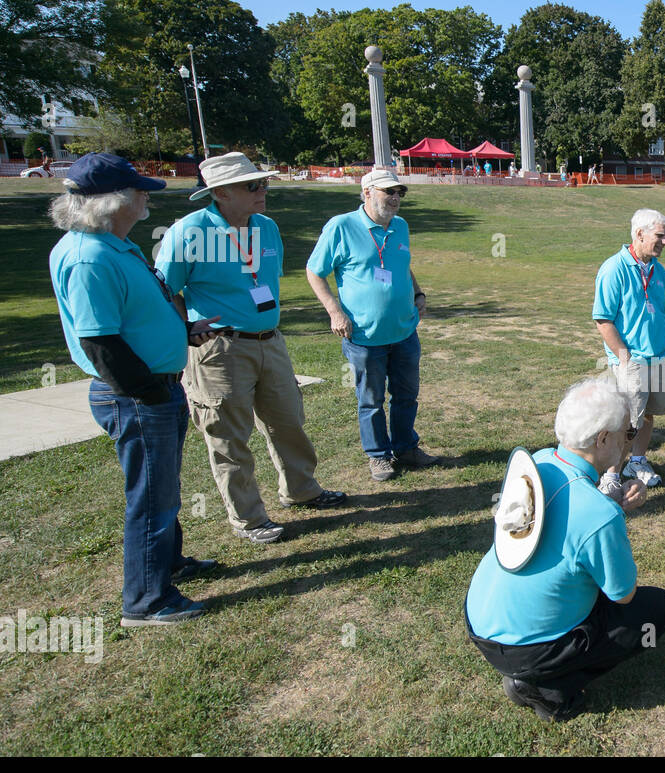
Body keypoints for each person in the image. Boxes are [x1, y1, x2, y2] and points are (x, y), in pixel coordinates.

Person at [47, 153, 222, 625]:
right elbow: (99, 340)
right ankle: (147, 601)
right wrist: (147, 392)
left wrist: (180, 331)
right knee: (150, 498)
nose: (146, 196)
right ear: (109, 202)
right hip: (136, 397)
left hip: (154, 389)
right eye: (138, 190)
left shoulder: (114, 244)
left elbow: (132, 319)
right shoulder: (88, 256)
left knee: (162, 491)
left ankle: (167, 564)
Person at [157, 152, 345, 544]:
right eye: (253, 185)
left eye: (264, 183)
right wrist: (184, 327)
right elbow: (165, 289)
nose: (263, 191)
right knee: (228, 436)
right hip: (219, 351)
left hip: (270, 342)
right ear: (221, 193)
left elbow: (262, 282)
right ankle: (249, 519)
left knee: (288, 420)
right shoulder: (188, 232)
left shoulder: (266, 227)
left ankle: (302, 490)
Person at [464, 378, 665, 722]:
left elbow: (569, 509)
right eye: (627, 433)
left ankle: (536, 669)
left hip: (479, 619)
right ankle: (548, 687)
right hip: (526, 651)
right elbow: (622, 595)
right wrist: (610, 513)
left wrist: (610, 502)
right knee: (655, 608)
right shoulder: (600, 516)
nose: (628, 441)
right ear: (603, 439)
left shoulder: (541, 460)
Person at [305, 169, 437, 481]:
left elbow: (402, 266)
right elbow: (314, 271)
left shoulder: (400, 226)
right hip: (364, 336)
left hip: (404, 331)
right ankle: (378, 456)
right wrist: (334, 312)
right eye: (388, 192)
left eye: (399, 193)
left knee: (406, 396)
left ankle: (405, 448)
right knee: (371, 400)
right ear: (367, 192)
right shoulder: (341, 226)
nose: (395, 198)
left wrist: (418, 292)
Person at [593, 208, 665, 487]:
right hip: (633, 359)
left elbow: (663, 311)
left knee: (648, 414)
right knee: (628, 420)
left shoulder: (658, 270)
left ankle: (637, 461)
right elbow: (603, 320)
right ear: (639, 234)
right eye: (660, 236)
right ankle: (611, 475)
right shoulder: (613, 269)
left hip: (661, 356)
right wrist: (624, 358)